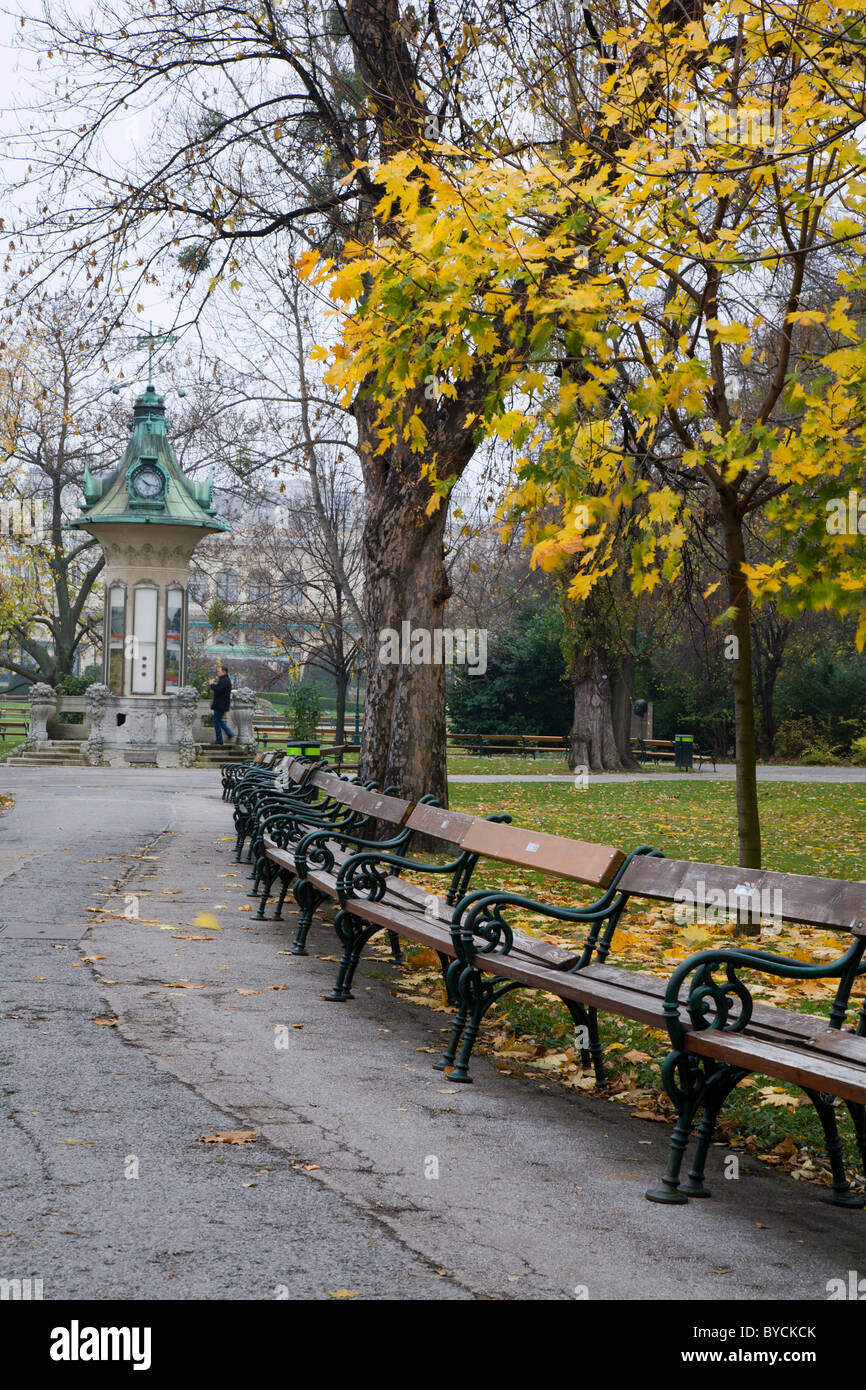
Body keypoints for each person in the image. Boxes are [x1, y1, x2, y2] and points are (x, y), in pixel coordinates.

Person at [208, 664, 233, 745]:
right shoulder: (224, 680)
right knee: (218, 721)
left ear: (224, 672)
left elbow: (219, 690)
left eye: (219, 671)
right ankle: (229, 733)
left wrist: (212, 684)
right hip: (221, 705)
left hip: (221, 705)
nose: (217, 673)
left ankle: (219, 740)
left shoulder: (225, 680)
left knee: (216, 721)